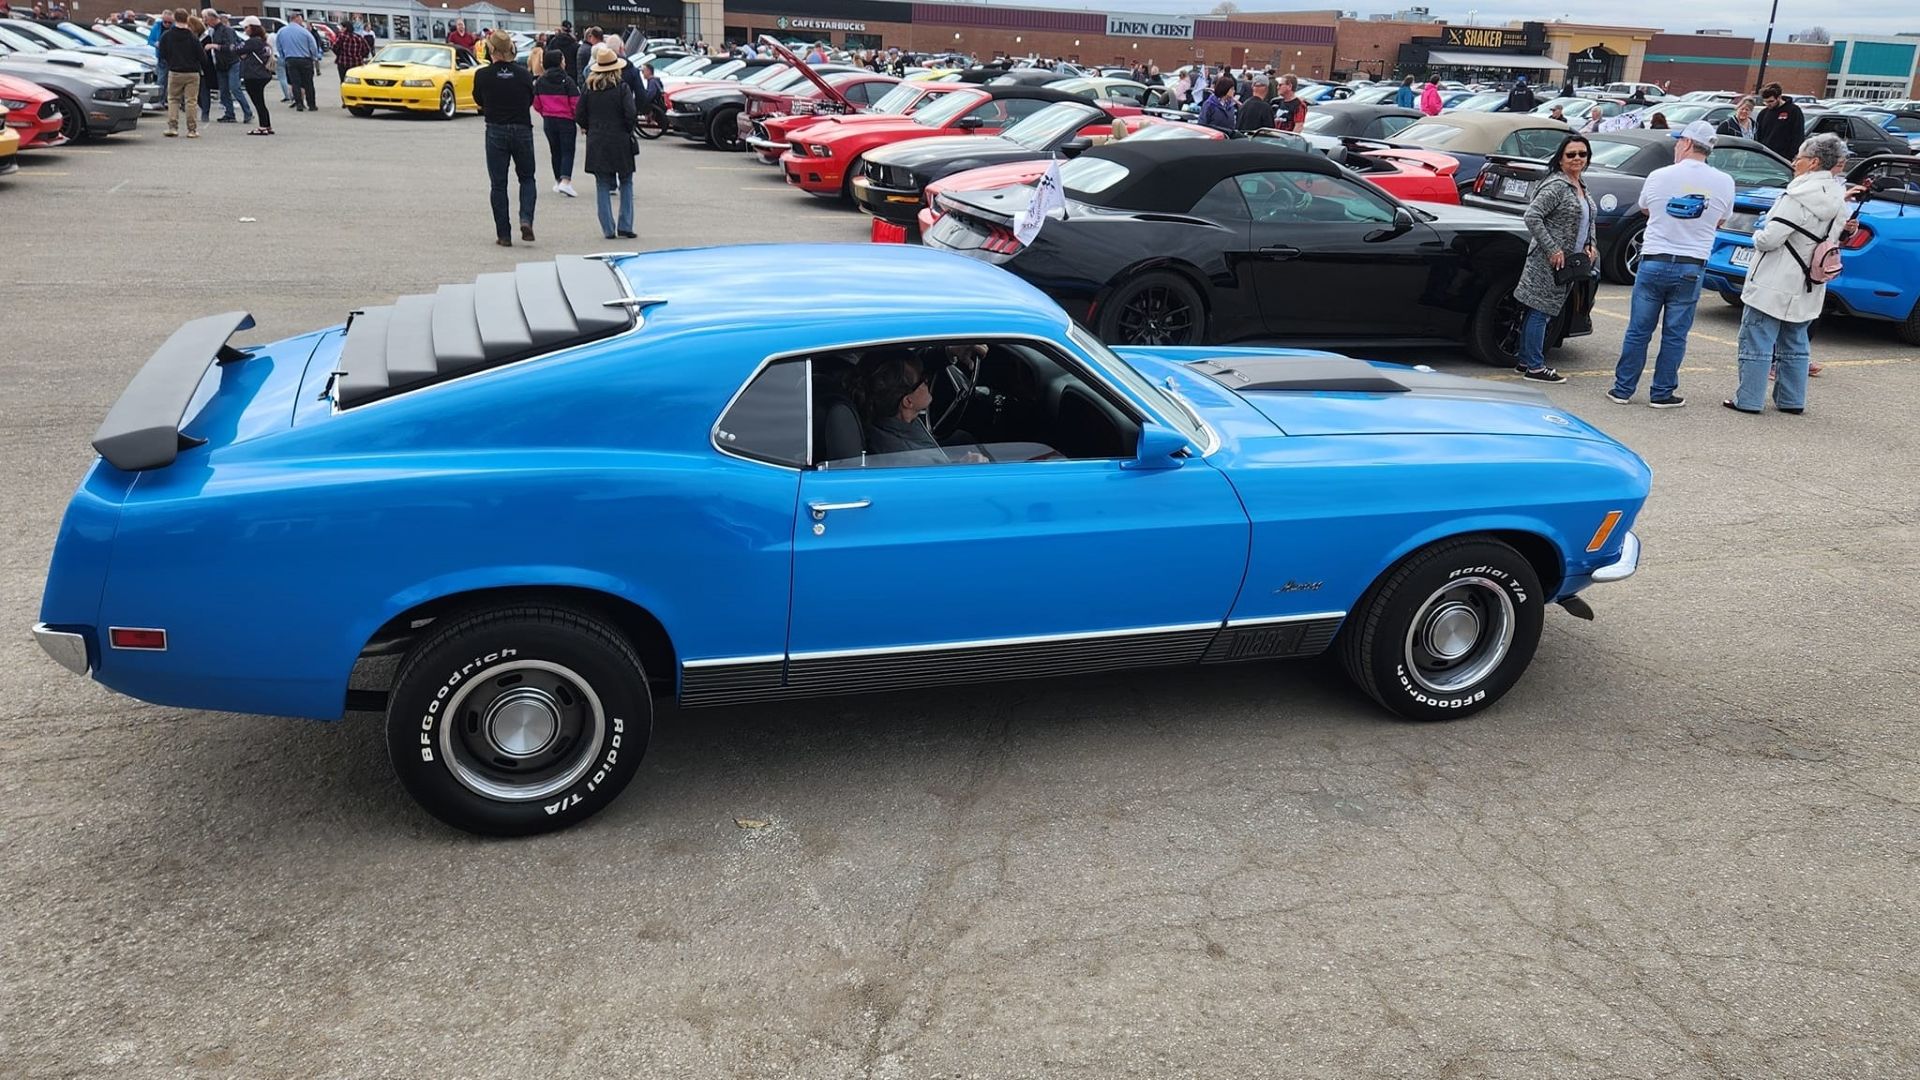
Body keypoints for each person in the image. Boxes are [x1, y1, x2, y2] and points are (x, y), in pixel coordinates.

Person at [1608, 120, 1736, 409]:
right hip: (1691, 264)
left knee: (1639, 330)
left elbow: (1645, 207)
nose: (1677, 146)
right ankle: (1662, 392)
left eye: (1680, 142)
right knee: (1675, 334)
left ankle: (1623, 389)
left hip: (1654, 259)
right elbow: (1721, 219)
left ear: (1688, 143)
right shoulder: (1724, 181)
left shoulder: (1659, 175)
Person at [1726, 133, 1849, 415]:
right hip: (1810, 281)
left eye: (1800, 158)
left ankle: (1748, 399)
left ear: (1814, 162)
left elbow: (1771, 239)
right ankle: (1791, 400)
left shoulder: (1797, 195)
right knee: (1796, 341)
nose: (1795, 162)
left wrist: (1756, 235)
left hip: (1775, 278)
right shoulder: (1838, 199)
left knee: (1756, 338)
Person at [1512, 134, 1600, 383]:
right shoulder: (1557, 186)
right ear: (1560, 159)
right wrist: (1552, 249)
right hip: (1547, 262)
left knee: (1541, 311)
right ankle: (1535, 368)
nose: (1577, 159)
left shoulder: (1580, 184)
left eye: (1582, 154)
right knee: (1541, 311)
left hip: (1570, 263)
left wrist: (1590, 244)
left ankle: (1525, 361)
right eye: (1571, 154)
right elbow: (1532, 216)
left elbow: (1588, 218)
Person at [472, 30, 538, 246]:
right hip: (521, 128)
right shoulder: (524, 75)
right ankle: (526, 218)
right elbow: (530, 98)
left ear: (491, 51)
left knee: (498, 184)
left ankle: (504, 234)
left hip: (496, 128)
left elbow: (478, 100)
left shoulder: (482, 75)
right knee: (527, 178)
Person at [577, 44, 638, 240]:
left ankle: (608, 228)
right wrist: (627, 129)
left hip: (597, 140)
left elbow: (580, 114)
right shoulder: (622, 88)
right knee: (626, 181)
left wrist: (590, 127)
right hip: (620, 139)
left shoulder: (589, 89)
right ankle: (625, 225)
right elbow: (631, 114)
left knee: (602, 184)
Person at [858, 356, 951, 466]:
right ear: (908, 401)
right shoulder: (915, 460)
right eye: (923, 380)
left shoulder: (883, 424)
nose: (927, 382)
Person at [532, 48, 579, 198]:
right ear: (559, 62)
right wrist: (577, 118)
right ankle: (566, 180)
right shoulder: (568, 80)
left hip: (549, 120)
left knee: (555, 150)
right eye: (563, 60)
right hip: (565, 119)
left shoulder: (540, 81)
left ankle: (558, 180)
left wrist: (545, 113)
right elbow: (575, 103)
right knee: (567, 150)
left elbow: (536, 103)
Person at [157, 8, 201, 137]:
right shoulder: (192, 37)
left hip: (175, 71)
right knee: (191, 101)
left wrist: (172, 61)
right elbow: (201, 55)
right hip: (192, 72)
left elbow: (162, 53)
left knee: (173, 100)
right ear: (187, 19)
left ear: (175, 19)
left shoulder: (167, 35)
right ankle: (192, 130)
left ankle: (172, 127)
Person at [237, 17, 275, 135]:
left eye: (246, 27)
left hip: (254, 75)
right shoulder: (263, 41)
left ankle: (263, 126)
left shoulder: (252, 41)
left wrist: (218, 47)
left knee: (258, 102)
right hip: (264, 73)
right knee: (260, 102)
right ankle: (267, 125)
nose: (245, 30)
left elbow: (236, 49)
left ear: (252, 28)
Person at [277, 14, 320, 112]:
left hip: (290, 59)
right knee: (308, 83)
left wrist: (284, 57)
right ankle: (312, 105)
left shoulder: (281, 32)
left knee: (295, 83)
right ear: (295, 19)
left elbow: (279, 46)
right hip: (305, 59)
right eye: (300, 20)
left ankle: (299, 104)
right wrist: (314, 57)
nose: (302, 22)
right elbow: (313, 46)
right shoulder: (305, 32)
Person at [1754, 83, 1804, 161]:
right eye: (1765, 102)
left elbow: (1798, 135)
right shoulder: (1763, 113)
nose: (1768, 104)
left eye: (1771, 101)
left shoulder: (1793, 111)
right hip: (1765, 156)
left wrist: (1793, 154)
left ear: (1779, 97)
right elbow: (1758, 135)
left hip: (1784, 157)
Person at [332, 12, 371, 103]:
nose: (341, 29)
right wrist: (361, 56)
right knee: (356, 83)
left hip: (343, 63)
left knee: (343, 82)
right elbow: (366, 49)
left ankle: (345, 101)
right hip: (356, 64)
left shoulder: (342, 36)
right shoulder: (358, 38)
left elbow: (334, 47)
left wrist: (339, 54)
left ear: (345, 28)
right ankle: (358, 99)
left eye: (342, 27)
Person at [148, 7, 174, 99]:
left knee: (172, 81)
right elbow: (150, 40)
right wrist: (155, 43)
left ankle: (167, 99)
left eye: (169, 22)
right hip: (162, 56)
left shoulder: (174, 28)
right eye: (165, 22)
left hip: (173, 58)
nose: (167, 24)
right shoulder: (157, 27)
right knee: (161, 79)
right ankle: (160, 100)